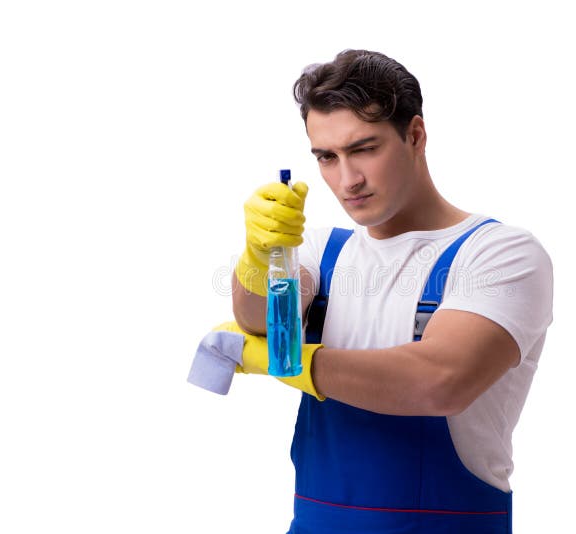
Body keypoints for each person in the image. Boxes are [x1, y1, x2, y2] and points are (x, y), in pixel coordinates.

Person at [220, 49, 554, 534]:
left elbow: (438, 380)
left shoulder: (498, 254)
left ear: (415, 135)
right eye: (327, 158)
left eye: (365, 149)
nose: (347, 179)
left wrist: (287, 360)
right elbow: (255, 320)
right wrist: (260, 256)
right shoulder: (319, 250)